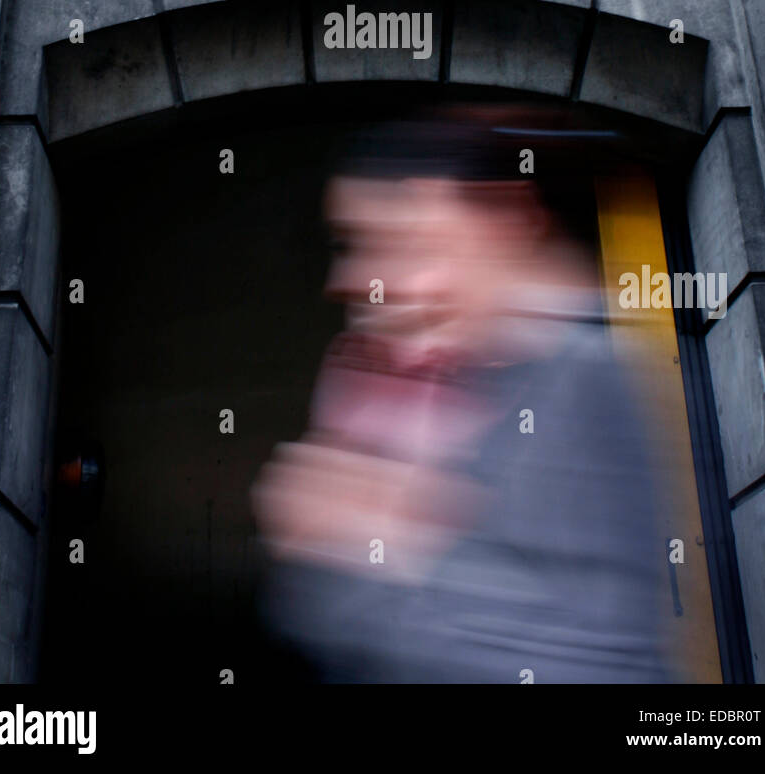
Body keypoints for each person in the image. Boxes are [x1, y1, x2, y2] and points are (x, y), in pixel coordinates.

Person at [251, 112, 673, 683]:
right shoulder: (465, 383)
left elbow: (609, 670)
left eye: (396, 243)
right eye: (350, 245)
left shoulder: (588, 371)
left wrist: (373, 546)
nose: (352, 280)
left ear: (504, 222)